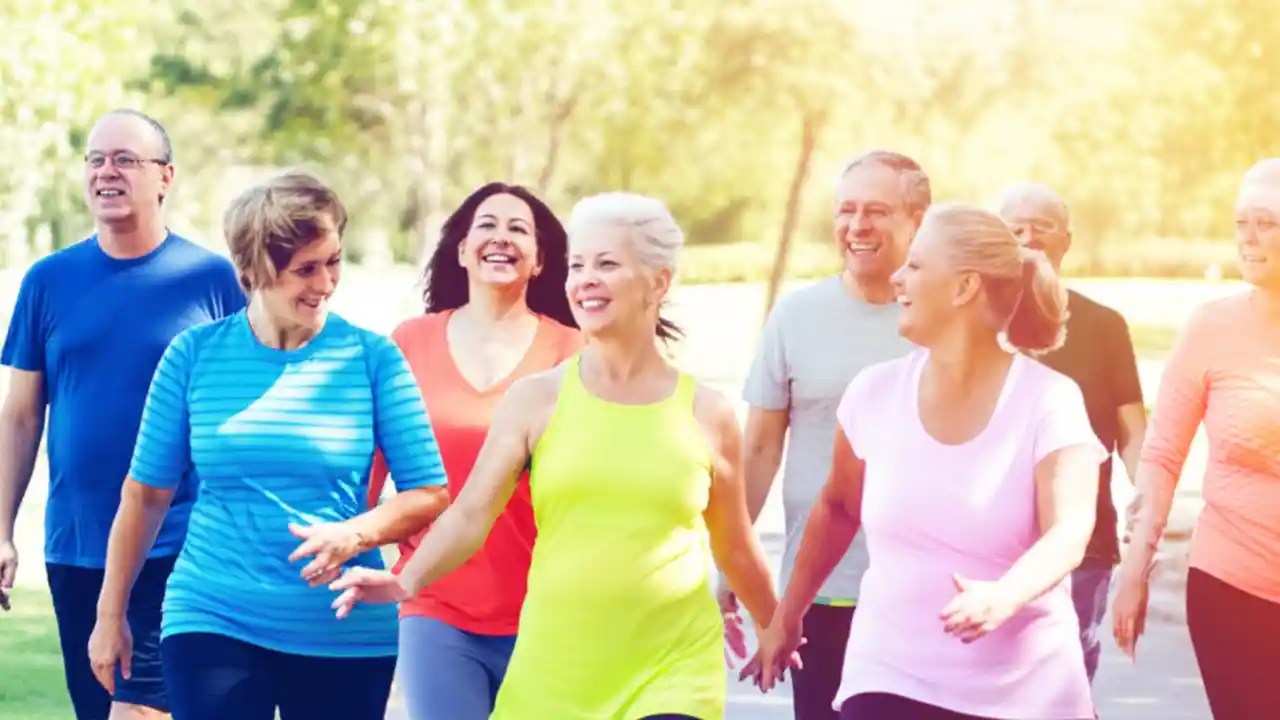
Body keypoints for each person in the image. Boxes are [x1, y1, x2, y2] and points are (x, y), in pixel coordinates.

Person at [332, 191, 789, 719]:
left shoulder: (708, 414)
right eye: (578, 265)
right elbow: (471, 513)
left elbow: (733, 544)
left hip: (673, 664)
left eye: (607, 263)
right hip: (557, 668)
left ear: (659, 282)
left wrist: (776, 623)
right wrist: (402, 579)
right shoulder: (535, 399)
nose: (586, 278)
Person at [86, 172, 451, 720]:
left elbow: (429, 491)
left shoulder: (371, 359)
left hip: (341, 626)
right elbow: (144, 497)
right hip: (214, 613)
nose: (325, 282)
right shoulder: (193, 356)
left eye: (334, 261)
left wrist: (355, 534)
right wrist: (110, 614)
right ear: (252, 271)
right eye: (305, 269)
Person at [749, 203, 1105, 720]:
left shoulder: (1049, 400)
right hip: (889, 678)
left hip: (1026, 693)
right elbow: (839, 507)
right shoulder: (874, 392)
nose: (897, 278)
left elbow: (1070, 530)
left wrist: (1005, 596)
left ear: (965, 288)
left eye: (915, 266)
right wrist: (790, 614)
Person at [0, 109, 245, 720]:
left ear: (166, 177)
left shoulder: (210, 280)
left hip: (177, 544)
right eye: (96, 160)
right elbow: (21, 417)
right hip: (76, 544)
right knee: (96, 708)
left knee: (139, 712)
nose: (106, 172)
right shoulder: (48, 281)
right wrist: (1, 529)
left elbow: (239, 411)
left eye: (125, 160)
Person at [364, 182, 581, 720]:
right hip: (434, 602)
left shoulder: (573, 352)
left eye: (518, 229)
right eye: (486, 225)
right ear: (461, 250)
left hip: (549, 611)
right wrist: (344, 547)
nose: (500, 237)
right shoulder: (410, 342)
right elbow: (367, 473)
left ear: (539, 260)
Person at [736, 149, 927, 719]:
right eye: (846, 210)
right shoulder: (796, 316)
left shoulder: (944, 318)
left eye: (877, 211)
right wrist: (731, 560)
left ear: (917, 219)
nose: (857, 226)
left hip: (918, 591)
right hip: (818, 591)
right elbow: (759, 448)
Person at [1113, 158, 1280, 719]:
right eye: (1241, 223)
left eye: (1267, 223)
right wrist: (1135, 570)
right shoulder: (1211, 327)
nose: (1249, 240)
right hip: (1232, 583)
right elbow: (1161, 456)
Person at [997, 181, 1147, 683]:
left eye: (1042, 226)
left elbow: (1131, 426)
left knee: (1064, 678)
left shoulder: (1104, 325)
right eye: (1015, 227)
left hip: (1082, 543)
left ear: (1066, 239)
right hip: (991, 541)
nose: (1029, 236)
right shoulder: (976, 319)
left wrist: (1146, 497)